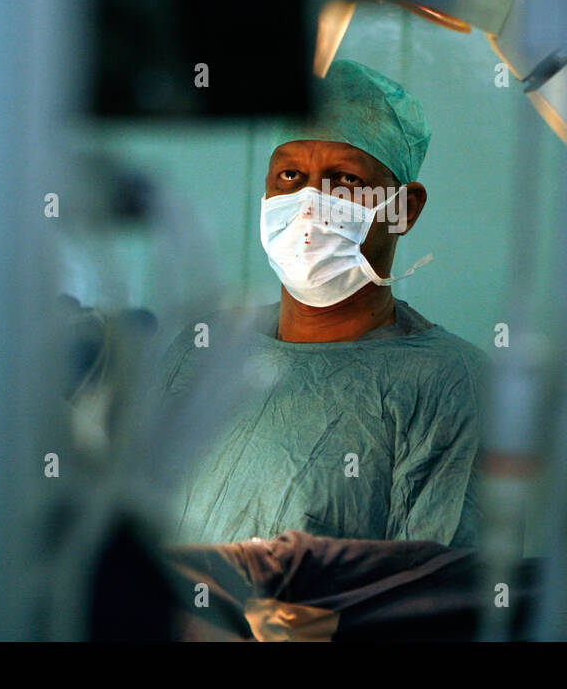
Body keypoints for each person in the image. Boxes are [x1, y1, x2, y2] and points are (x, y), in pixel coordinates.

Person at [160, 60, 486, 547]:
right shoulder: (204, 351)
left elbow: (432, 593)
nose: (310, 202)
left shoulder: (447, 383)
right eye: (290, 174)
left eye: (345, 180)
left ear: (404, 208)